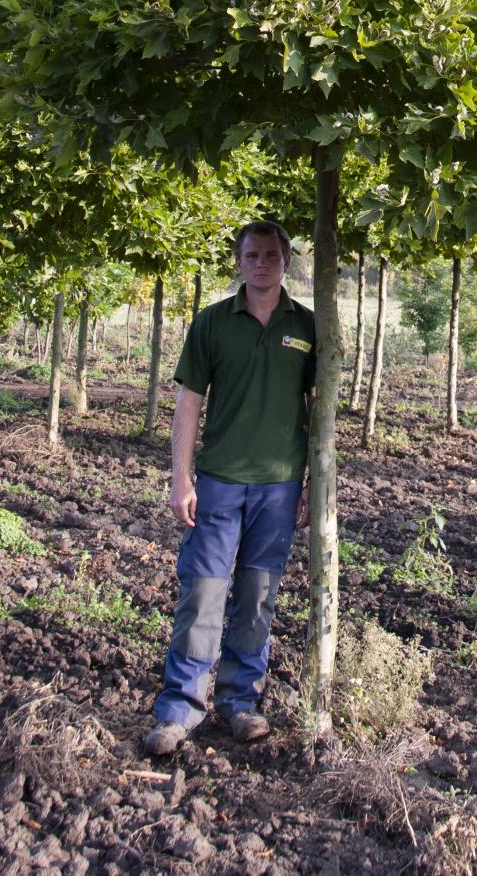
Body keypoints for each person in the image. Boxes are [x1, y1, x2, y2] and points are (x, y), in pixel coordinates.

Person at [142, 219, 315, 755]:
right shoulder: (212, 323)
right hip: (218, 484)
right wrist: (181, 476)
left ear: (286, 261)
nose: (261, 263)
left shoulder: (309, 327)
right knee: (204, 593)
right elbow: (189, 404)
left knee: (257, 599)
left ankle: (241, 703)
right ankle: (179, 710)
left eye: (270, 255)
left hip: (280, 487)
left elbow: (317, 411)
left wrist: (312, 484)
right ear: (237, 263)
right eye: (251, 256)